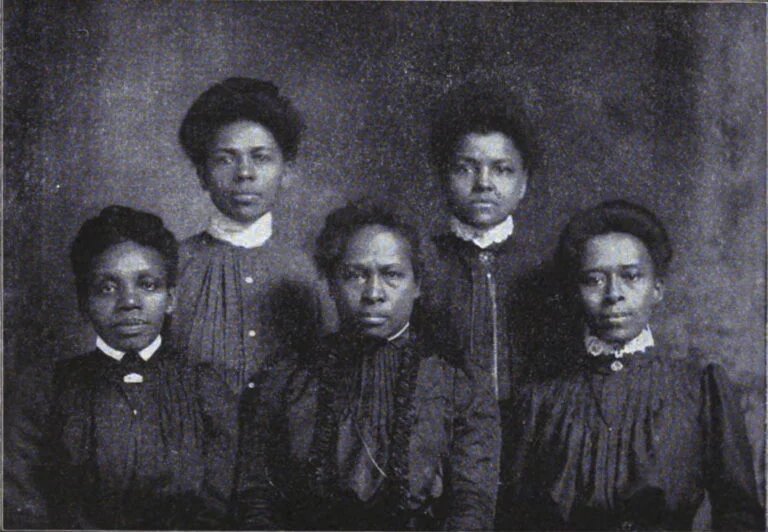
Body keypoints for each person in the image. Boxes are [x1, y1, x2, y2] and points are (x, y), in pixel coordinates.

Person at [497, 200, 765, 530]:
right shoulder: (540, 400)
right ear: (575, 292)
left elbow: (740, 514)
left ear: (657, 289)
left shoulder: (698, 389)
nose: (614, 294)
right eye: (594, 280)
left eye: (631, 277)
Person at [235, 199, 500, 530]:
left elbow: (472, 503)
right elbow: (257, 495)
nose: (373, 293)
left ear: (417, 285)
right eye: (355, 275)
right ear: (330, 283)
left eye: (392, 275)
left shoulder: (458, 381)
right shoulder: (287, 377)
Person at [4, 206, 235, 530]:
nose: (129, 302)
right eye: (107, 288)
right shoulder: (45, 389)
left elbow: (220, 508)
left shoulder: (204, 388)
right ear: (84, 302)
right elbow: (20, 507)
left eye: (148, 285)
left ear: (171, 298)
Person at [172, 77, 332, 395]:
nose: (244, 173)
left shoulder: (311, 274)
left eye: (260, 157)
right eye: (225, 159)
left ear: (286, 172)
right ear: (202, 175)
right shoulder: (173, 266)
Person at [422, 81, 539, 402]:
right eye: (465, 169)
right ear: (443, 177)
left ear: (523, 182)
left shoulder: (545, 269)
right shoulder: (420, 263)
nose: (483, 183)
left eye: (502, 170)